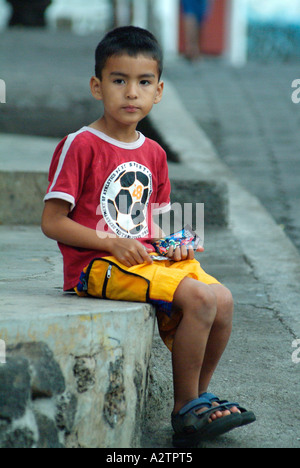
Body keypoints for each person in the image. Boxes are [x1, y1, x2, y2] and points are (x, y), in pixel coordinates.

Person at [41, 26, 255, 447]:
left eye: (143, 83)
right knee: (199, 298)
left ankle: (198, 397)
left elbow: (157, 224)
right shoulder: (80, 145)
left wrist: (176, 243)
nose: (131, 93)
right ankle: (184, 407)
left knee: (223, 299)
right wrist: (108, 242)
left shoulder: (154, 152)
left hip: (143, 259)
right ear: (96, 86)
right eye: (119, 81)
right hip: (96, 266)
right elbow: (52, 222)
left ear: (159, 92)